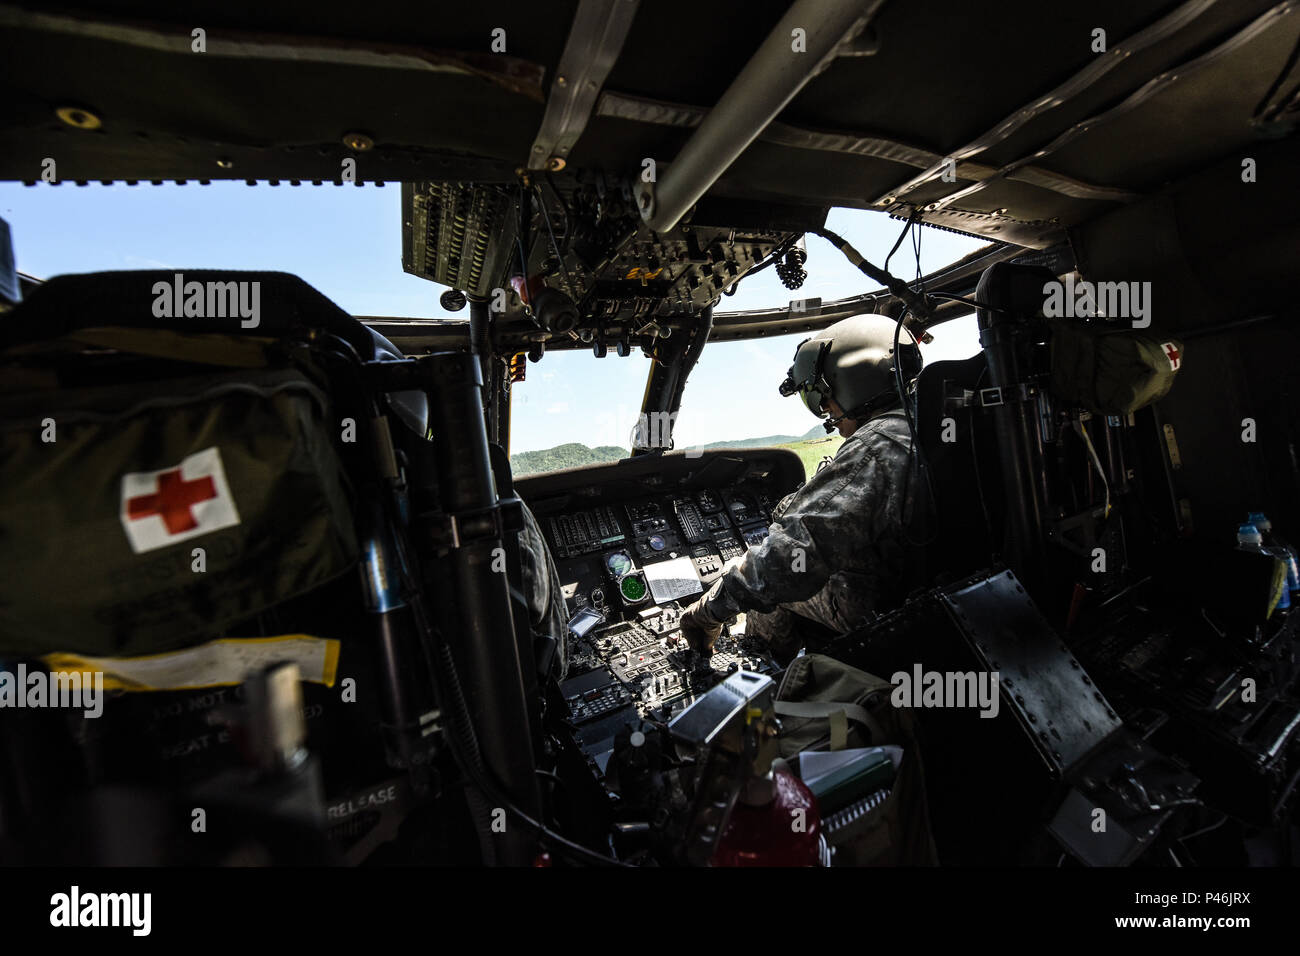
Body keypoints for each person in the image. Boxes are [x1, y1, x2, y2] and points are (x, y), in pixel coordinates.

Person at [679, 314, 924, 661]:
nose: (825, 408)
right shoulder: (932, 419)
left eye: (825, 395)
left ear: (854, 381)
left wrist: (708, 611)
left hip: (895, 613)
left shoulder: (877, 446)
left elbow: (788, 559)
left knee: (774, 588)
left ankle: (761, 682)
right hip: (936, 591)